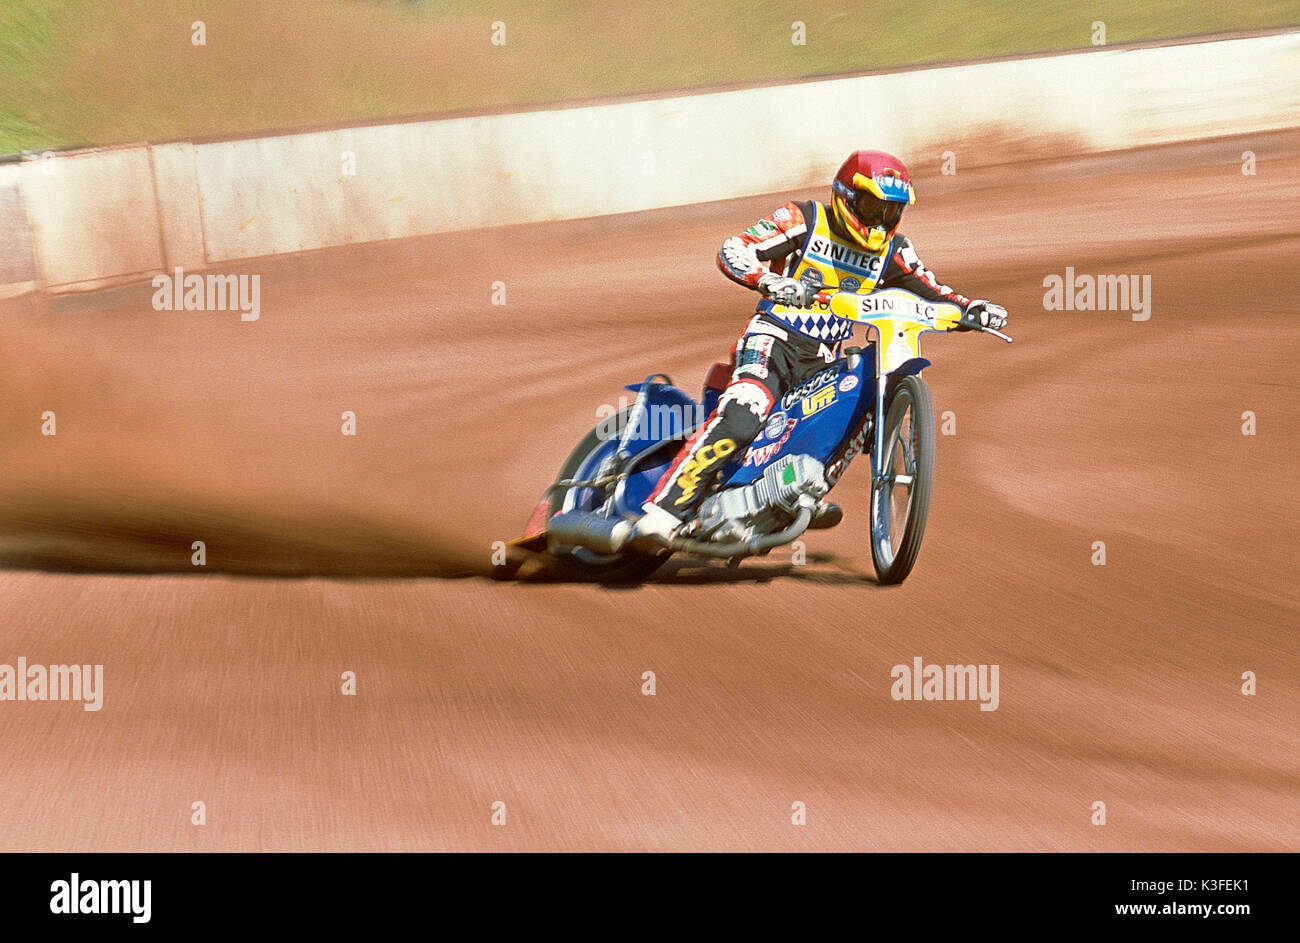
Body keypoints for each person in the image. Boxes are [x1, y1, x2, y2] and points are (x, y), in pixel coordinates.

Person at [631, 149, 1008, 546]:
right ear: (846, 196)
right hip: (773, 340)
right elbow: (734, 249)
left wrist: (972, 309)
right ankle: (664, 512)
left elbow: (932, 289)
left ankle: (794, 492)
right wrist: (767, 280)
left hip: (823, 360)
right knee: (745, 414)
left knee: (857, 403)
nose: (880, 221)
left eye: (890, 211)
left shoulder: (894, 250)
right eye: (871, 206)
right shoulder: (804, 219)